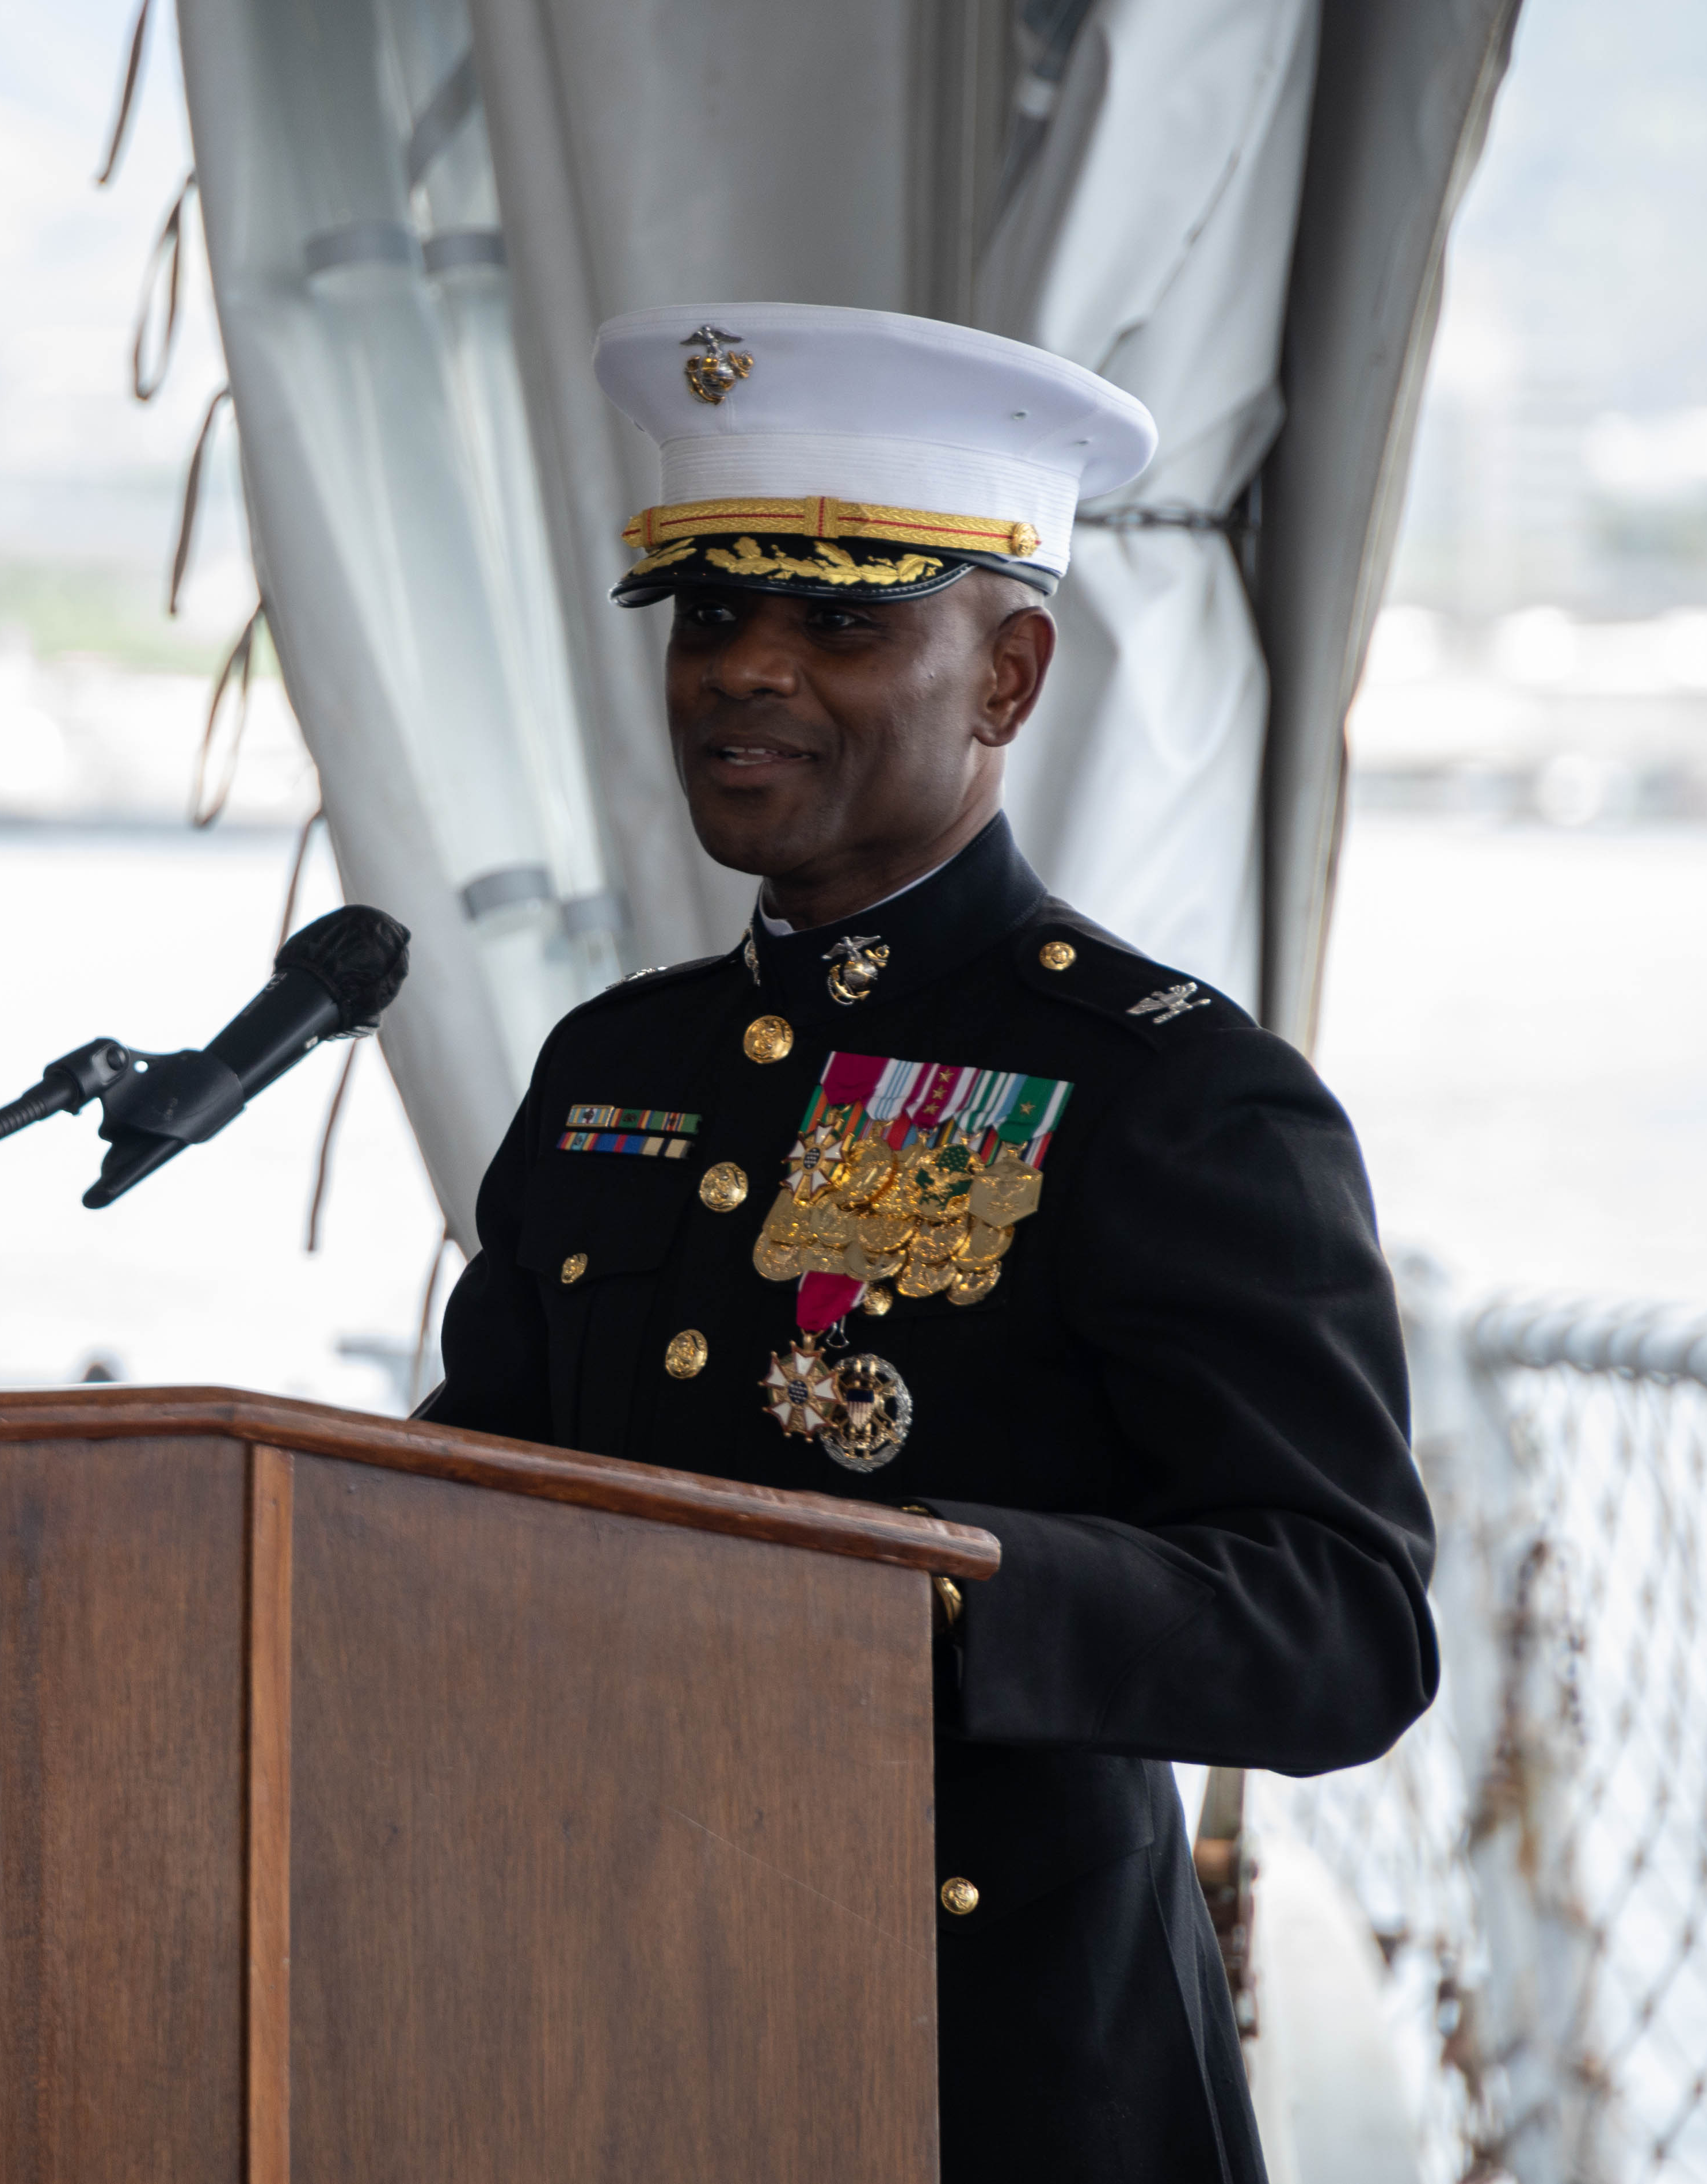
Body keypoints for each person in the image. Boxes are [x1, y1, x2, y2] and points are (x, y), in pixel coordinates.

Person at [420, 303, 1438, 2181]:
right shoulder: (611, 1063)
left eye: (843, 621)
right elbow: (475, 1476)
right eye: (711, 615)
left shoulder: (1170, 1090)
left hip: (997, 2071)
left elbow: (1341, 1621)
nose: (746, 673)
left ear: (1009, 675)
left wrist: (916, 1594)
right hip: (594, 2022)